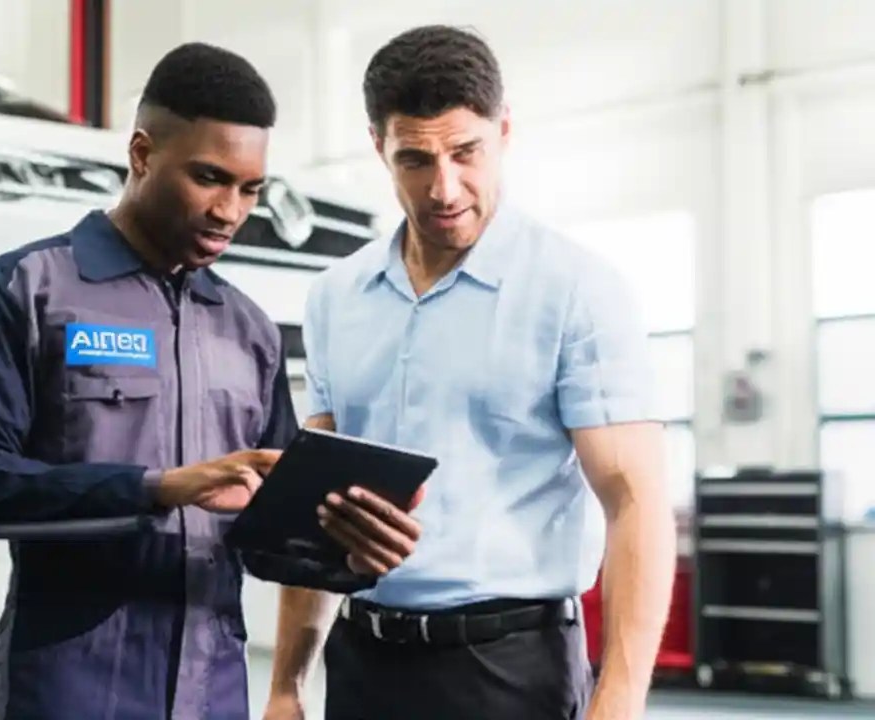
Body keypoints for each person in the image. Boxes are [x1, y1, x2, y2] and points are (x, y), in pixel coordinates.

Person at [0, 42, 421, 720]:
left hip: (212, 687)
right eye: (209, 177)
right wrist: (158, 488)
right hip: (70, 686)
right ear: (141, 154)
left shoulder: (248, 330)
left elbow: (270, 535)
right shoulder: (26, 291)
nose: (230, 211)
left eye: (249, 189)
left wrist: (355, 553)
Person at [263, 25, 678, 720]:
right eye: (415, 160)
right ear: (379, 149)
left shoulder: (575, 289)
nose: (444, 188)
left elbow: (634, 499)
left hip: (509, 671)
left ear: (504, 129)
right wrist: (285, 685)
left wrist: (620, 701)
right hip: (362, 664)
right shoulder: (336, 297)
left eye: (465, 152)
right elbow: (321, 504)